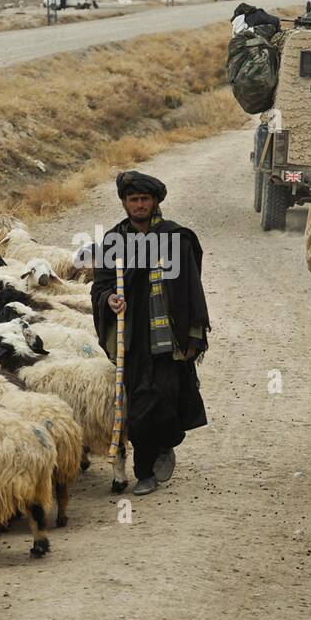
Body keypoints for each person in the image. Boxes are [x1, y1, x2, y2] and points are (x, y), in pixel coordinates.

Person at [91, 172, 210, 496]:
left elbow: (191, 289)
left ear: (155, 201)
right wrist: (108, 299)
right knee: (140, 408)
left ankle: (167, 443)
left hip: (170, 339)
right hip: (134, 340)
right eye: (133, 200)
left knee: (169, 401)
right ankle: (145, 473)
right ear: (125, 203)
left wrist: (195, 335)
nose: (139, 205)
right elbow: (100, 285)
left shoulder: (177, 238)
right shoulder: (116, 241)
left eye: (144, 199)